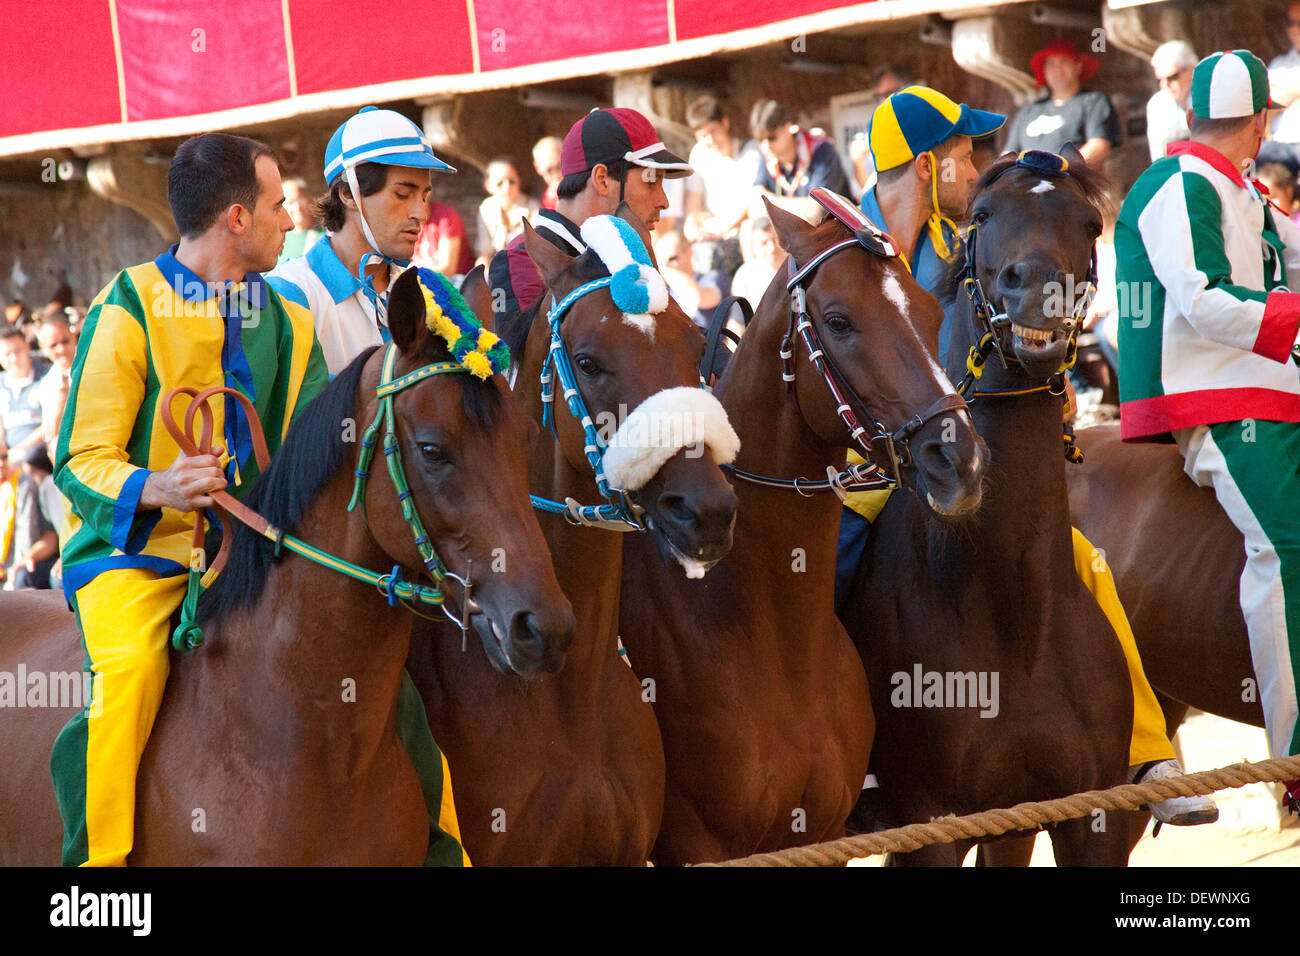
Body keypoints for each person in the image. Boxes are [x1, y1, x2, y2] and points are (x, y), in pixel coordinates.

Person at [838, 86, 1214, 826]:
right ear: (928, 166)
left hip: (979, 466)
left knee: (1085, 564)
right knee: (833, 564)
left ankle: (1147, 749)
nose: (974, 166)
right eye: (963, 154)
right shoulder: (854, 252)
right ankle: (858, 758)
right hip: (870, 476)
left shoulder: (971, 241)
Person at [48, 132, 330, 867]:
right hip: (137, 555)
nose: (289, 221)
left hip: (262, 559)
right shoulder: (129, 303)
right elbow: (79, 460)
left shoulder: (295, 322)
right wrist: (162, 487)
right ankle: (96, 878)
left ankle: (443, 853)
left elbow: (326, 453)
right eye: (276, 206)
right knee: (132, 675)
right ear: (237, 219)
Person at [1117, 50, 1300, 807]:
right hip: (1215, 401)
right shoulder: (1178, 183)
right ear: (1260, 121)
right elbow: (1200, 301)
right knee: (1285, 548)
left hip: (1266, 386)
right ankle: (1294, 762)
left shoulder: (1239, 186)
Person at [268, 107, 456, 376]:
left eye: (424, 197)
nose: (422, 214)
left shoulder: (427, 294)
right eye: (403, 194)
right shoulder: (291, 294)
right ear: (347, 193)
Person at [487, 107, 692, 320]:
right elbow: (521, 353)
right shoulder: (524, 258)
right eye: (650, 182)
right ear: (602, 179)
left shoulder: (629, 254)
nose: (664, 201)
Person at [1003, 38, 1121, 165]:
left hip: (1070, 180)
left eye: (1064, 62)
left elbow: (1099, 146)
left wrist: (1060, 167)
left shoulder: (1093, 102)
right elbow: (1008, 154)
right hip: (1028, 181)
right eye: (1051, 64)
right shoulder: (1027, 111)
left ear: (1078, 66)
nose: (1058, 69)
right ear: (1045, 71)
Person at [682, 95, 761, 275]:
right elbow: (693, 202)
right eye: (703, 135)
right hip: (710, 234)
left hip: (743, 234)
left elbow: (752, 201)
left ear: (725, 123)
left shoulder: (750, 152)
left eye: (713, 131)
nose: (710, 139)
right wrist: (692, 227)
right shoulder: (699, 154)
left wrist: (720, 230)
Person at [749, 99, 851, 221]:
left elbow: (816, 210)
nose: (766, 146)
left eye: (772, 137)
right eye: (760, 140)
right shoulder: (768, 155)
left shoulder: (822, 150)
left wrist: (769, 202)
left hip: (838, 229)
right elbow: (755, 204)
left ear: (788, 128)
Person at [7, 445, 59, 590]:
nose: (32, 481)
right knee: (23, 575)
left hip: (77, 554)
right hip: (59, 556)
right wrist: (29, 557)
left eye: (34, 475)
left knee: (59, 579)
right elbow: (51, 536)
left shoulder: (50, 484)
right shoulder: (45, 490)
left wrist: (68, 555)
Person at [0, 326, 51, 465]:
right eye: (7, 354)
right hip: (9, 457)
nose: (14, 358)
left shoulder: (48, 376)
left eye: (17, 351)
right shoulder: (1, 383)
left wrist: (20, 450)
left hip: (40, 453)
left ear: (27, 347)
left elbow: (52, 423)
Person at [475, 156, 538, 268]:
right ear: (488, 186)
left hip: (527, 266)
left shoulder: (532, 208)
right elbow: (484, 253)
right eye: (500, 183)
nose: (507, 187)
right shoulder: (486, 208)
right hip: (498, 269)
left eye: (512, 181)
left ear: (519, 182)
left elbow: (535, 252)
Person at [653, 230, 723, 329]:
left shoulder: (714, 277)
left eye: (672, 258)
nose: (666, 265)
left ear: (689, 252)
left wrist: (663, 269)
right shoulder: (663, 291)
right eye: (661, 260)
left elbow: (700, 298)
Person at [1147, 40, 1198, 161]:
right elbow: (1159, 158)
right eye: (1160, 80)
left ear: (1192, 70)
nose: (1165, 85)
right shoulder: (1157, 104)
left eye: (1172, 77)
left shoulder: (1211, 96)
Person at [36, 315, 76, 448]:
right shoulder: (48, 383)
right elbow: (49, 434)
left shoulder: (93, 367)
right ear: (43, 348)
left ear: (74, 337)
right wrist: (60, 404)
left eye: (65, 341)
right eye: (53, 345)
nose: (61, 349)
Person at [729, 216, 784, 308]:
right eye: (764, 243)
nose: (772, 248)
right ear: (754, 246)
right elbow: (738, 320)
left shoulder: (800, 269)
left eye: (775, 240)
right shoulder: (744, 276)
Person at [1268, 3, 1300, 144]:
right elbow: (1263, 103)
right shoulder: (1279, 64)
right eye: (1290, 23)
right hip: (1275, 144)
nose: (1295, 29)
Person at [276, 177, 325, 264]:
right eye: (290, 203)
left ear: (310, 199)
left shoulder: (326, 235)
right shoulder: (278, 241)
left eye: (300, 199)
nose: (297, 207)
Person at [532, 135, 563, 211]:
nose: (556, 174)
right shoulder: (542, 202)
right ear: (537, 167)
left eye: (559, 166)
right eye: (549, 170)